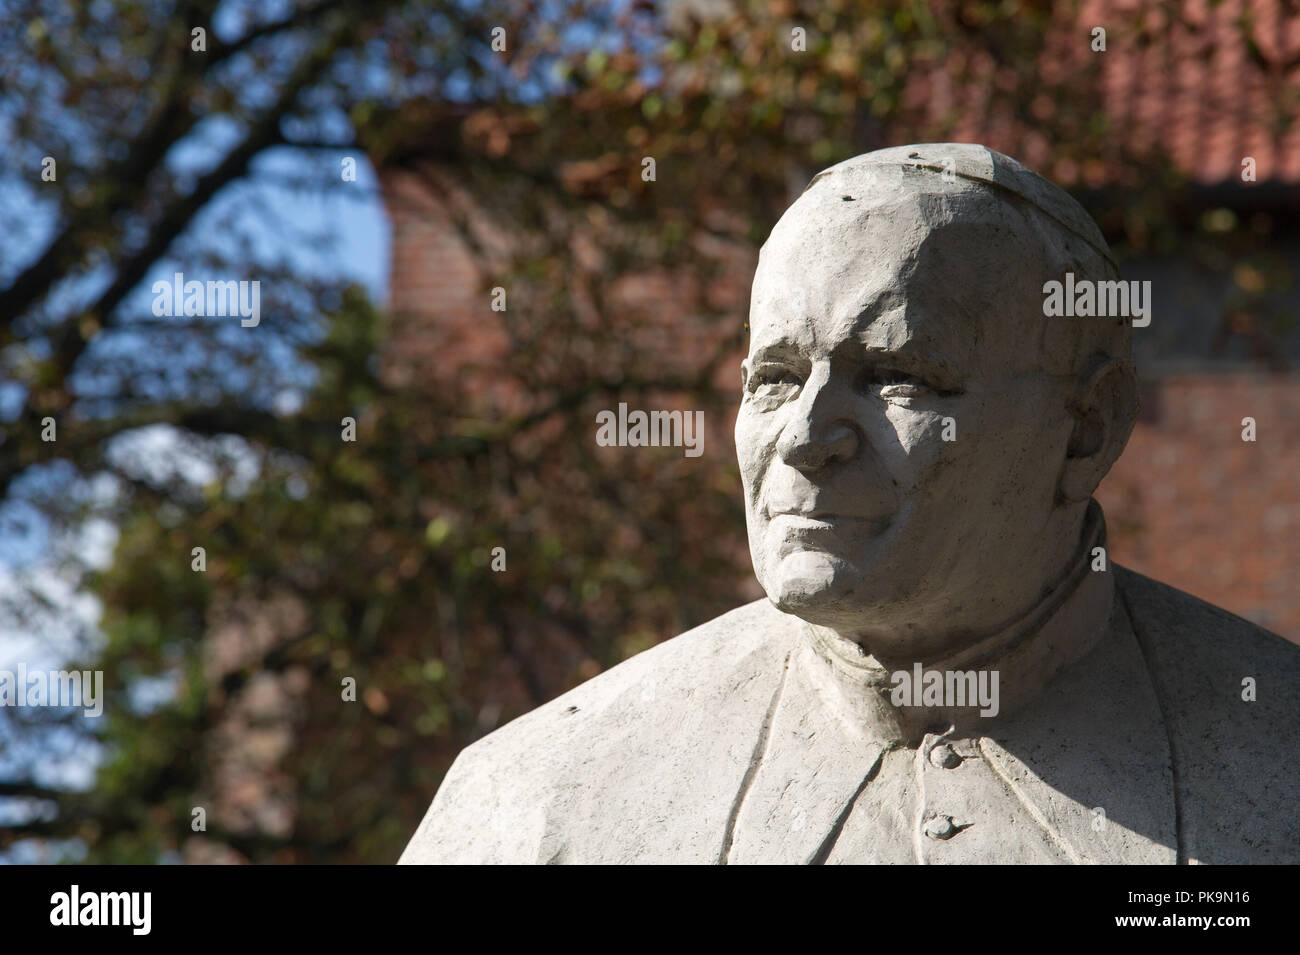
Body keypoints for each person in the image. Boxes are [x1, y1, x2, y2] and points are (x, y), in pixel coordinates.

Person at [401, 144, 1300, 864]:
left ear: (1085, 431)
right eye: (775, 378)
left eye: (898, 377)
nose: (805, 436)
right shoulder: (535, 800)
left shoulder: (1278, 765)